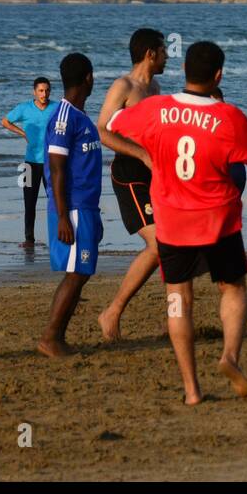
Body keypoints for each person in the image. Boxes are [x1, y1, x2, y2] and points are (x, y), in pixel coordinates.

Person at [108, 41, 247, 405]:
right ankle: (229, 357)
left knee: (178, 300)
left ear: (184, 71)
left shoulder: (156, 109)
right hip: (219, 221)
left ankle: (192, 390)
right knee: (233, 288)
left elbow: (112, 123)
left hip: (172, 222)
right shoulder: (228, 117)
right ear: (219, 75)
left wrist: (146, 152)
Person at [96, 28, 168, 341]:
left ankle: (174, 317)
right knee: (159, 244)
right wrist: (140, 153)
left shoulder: (156, 87)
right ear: (150, 53)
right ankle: (111, 312)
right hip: (129, 174)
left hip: (155, 173)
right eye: (164, 50)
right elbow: (102, 131)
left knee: (172, 245)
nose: (167, 55)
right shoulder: (123, 86)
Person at [38, 54, 103, 357]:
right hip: (73, 209)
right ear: (88, 78)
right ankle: (51, 338)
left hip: (86, 208)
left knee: (82, 271)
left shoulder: (81, 116)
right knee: (76, 272)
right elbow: (56, 169)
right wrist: (63, 216)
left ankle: (56, 337)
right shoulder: (64, 118)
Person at [1, 77, 59, 246]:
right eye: (41, 90)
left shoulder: (57, 107)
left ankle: (57, 236)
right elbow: (5, 121)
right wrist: (23, 133)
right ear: (34, 92)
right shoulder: (24, 108)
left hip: (52, 162)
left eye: (47, 90)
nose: (44, 94)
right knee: (29, 202)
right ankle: (29, 239)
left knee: (55, 201)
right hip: (30, 163)